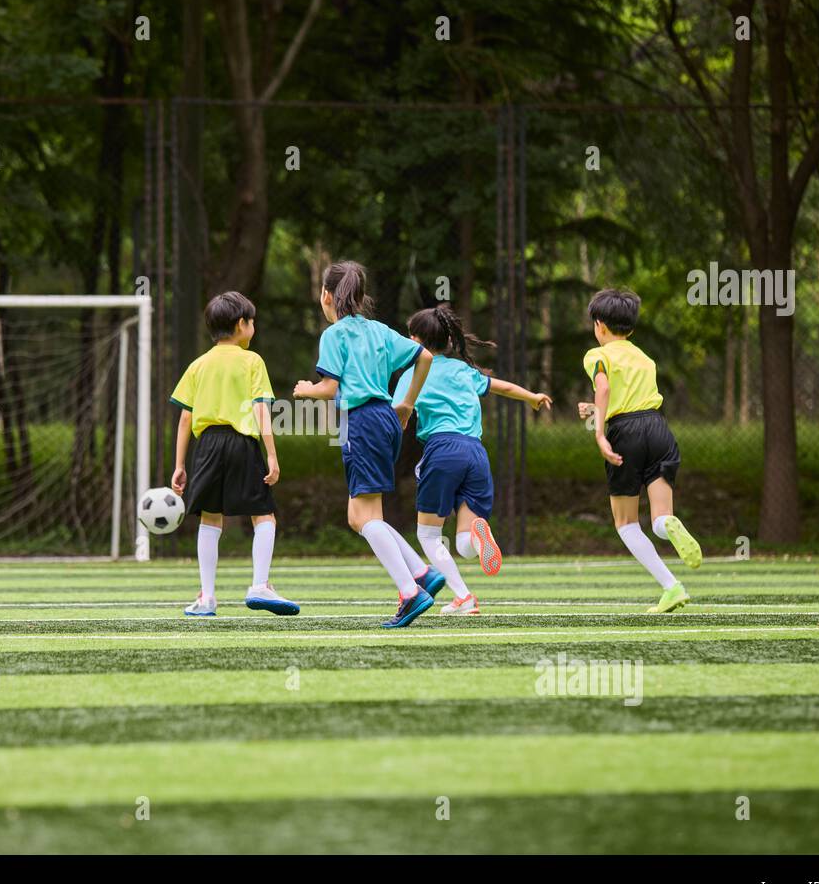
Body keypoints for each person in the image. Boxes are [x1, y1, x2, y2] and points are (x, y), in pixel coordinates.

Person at [294, 261, 442, 629]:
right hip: (386, 420)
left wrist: (305, 390)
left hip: (360, 421)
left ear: (327, 296)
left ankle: (410, 592)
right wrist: (406, 402)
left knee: (365, 517)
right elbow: (424, 356)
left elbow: (328, 388)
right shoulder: (378, 330)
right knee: (358, 516)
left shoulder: (334, 335)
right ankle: (421, 572)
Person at [395, 304, 551, 614]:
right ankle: (480, 541)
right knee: (465, 542)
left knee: (427, 534)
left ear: (416, 342)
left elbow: (393, 412)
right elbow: (502, 386)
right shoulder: (464, 370)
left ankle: (464, 596)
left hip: (441, 450)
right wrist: (532, 397)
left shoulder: (415, 374)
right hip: (475, 452)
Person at [170, 291, 298, 617]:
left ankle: (207, 597)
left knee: (211, 519)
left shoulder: (198, 365)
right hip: (242, 444)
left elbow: (185, 417)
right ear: (242, 324)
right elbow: (260, 411)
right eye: (252, 322)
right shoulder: (252, 361)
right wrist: (271, 453)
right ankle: (259, 585)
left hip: (207, 445)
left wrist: (179, 464)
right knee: (263, 515)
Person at [578, 288, 701, 613]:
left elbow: (605, 389)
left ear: (599, 325)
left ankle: (672, 586)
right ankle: (668, 526)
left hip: (625, 434)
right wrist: (594, 410)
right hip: (658, 429)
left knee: (626, 523)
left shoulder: (596, 355)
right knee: (661, 516)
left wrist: (600, 433)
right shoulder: (645, 359)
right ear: (630, 329)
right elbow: (631, 401)